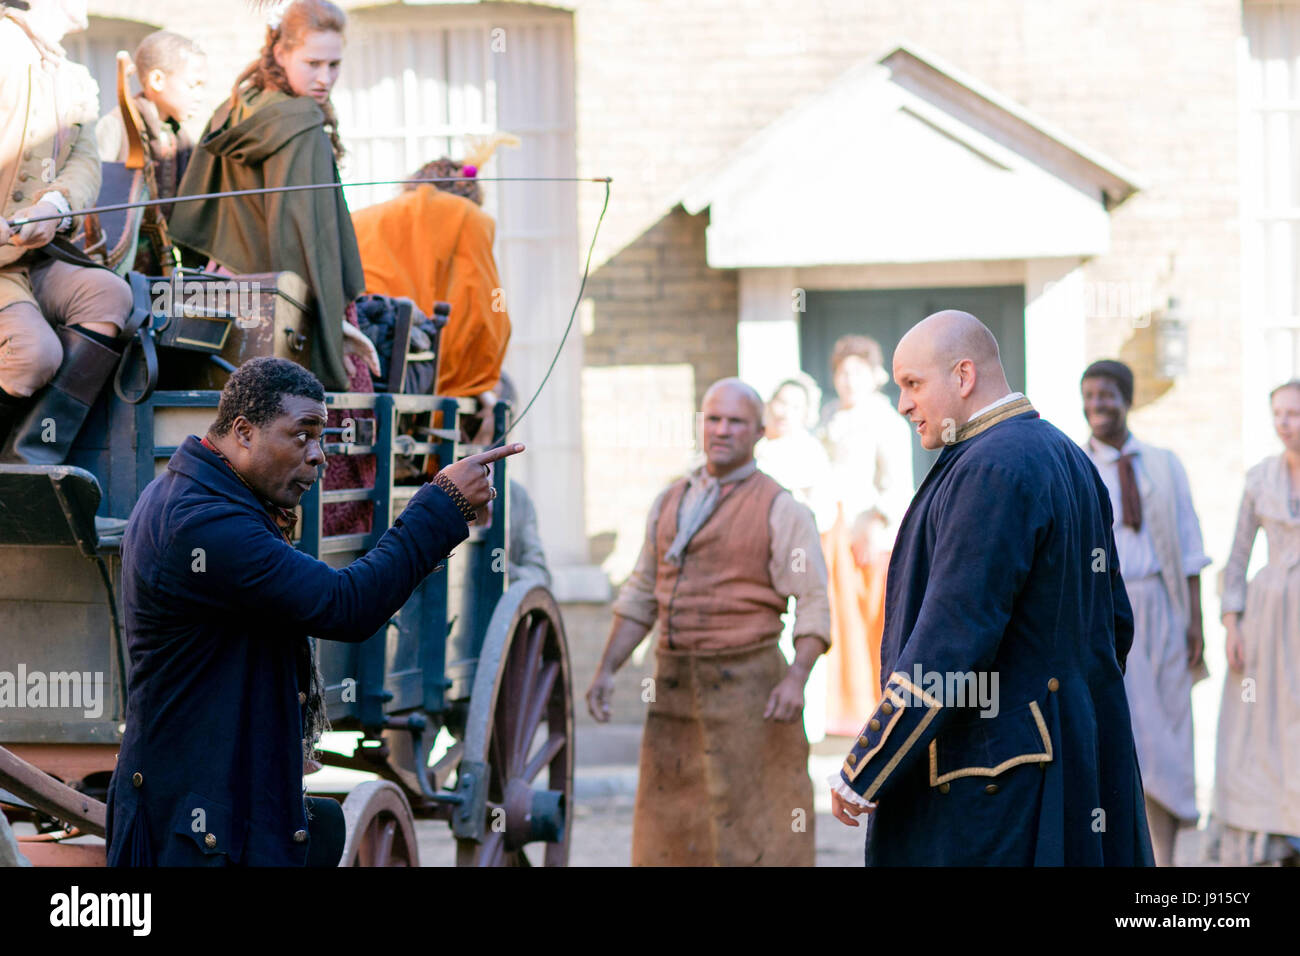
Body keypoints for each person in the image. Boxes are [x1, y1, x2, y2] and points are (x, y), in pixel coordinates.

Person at [104, 357, 523, 866]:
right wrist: (443, 503)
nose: (318, 456)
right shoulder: (206, 525)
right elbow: (346, 606)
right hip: (194, 834)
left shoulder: (196, 496)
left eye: (321, 438)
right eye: (302, 435)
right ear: (243, 432)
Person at [830, 310, 1153, 867]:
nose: (903, 403)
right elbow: (1116, 625)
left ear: (963, 376)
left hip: (996, 778)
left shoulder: (989, 467)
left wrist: (870, 762)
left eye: (912, 384)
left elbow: (954, 639)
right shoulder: (1068, 458)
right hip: (1078, 750)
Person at [586, 378, 830, 866]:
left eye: (736, 421)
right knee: (671, 826)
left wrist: (795, 680)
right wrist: (607, 668)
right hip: (673, 690)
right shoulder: (669, 501)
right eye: (713, 419)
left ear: (759, 432)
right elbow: (641, 594)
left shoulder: (782, 509)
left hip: (751, 693)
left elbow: (814, 601)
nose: (722, 430)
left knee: (759, 822)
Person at [169, 0, 380, 536]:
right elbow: (306, 242)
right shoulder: (303, 122)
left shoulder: (234, 108)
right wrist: (337, 326)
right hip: (295, 307)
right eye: (313, 63)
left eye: (334, 65)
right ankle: (327, 577)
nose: (324, 77)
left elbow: (201, 212)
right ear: (280, 50)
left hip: (228, 305)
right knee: (338, 422)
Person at [1080, 359, 1210, 866]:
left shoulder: (1163, 463)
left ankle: (1168, 854)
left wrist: (1194, 620)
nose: (1096, 405)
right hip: (1107, 613)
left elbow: (1190, 541)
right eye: (1089, 396)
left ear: (1127, 399)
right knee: (1128, 731)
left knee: (1172, 736)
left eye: (1106, 395)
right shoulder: (1078, 465)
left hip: (1161, 605)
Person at [0, 0, 133, 457]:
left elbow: (84, 160)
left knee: (110, 295)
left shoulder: (74, 76)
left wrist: (55, 205)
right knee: (33, 356)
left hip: (30, 258)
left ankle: (30, 458)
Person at [350, 135, 516, 426]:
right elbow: (489, 303)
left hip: (358, 355)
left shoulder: (362, 217)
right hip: (419, 368)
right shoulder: (472, 218)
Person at [1204, 380, 1300, 866]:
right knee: (1259, 724)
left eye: (1295, 414)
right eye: (1279, 413)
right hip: (1266, 625)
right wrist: (1232, 622)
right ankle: (1271, 830)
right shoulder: (1260, 477)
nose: (1285, 423)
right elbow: (1237, 556)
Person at [817, 335, 915, 736]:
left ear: (875, 376)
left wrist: (875, 523)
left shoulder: (886, 421)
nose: (849, 380)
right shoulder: (826, 417)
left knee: (872, 621)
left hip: (869, 534)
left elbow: (895, 484)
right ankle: (842, 712)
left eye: (858, 372)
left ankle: (879, 713)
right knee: (839, 622)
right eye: (842, 372)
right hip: (831, 532)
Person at [755, 374, 834, 742]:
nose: (785, 411)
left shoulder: (811, 453)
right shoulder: (758, 451)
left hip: (798, 555)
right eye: (780, 402)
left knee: (800, 629)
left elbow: (825, 509)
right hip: (758, 559)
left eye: (795, 405)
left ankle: (805, 718)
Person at [96, 30, 207, 224]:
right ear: (157, 80)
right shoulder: (116, 125)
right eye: (192, 85)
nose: (199, 96)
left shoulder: (180, 137)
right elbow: (95, 194)